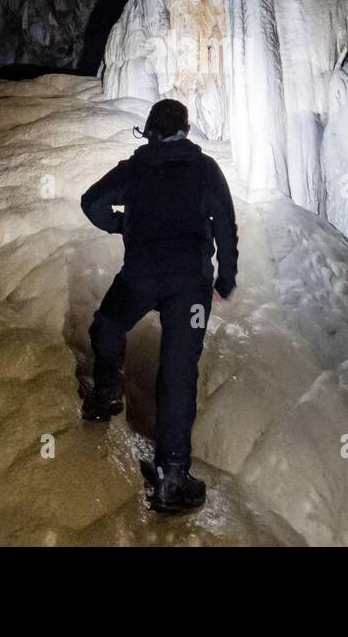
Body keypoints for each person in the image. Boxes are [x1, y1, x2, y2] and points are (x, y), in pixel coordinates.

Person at [79, 98, 238, 514]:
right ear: (185, 130)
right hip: (191, 286)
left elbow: (91, 201)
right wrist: (226, 277)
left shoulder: (135, 168)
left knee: (108, 326)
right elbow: (224, 223)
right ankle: (172, 476)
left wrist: (120, 224)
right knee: (179, 370)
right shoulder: (206, 170)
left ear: (150, 130)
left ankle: (106, 393)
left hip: (141, 276)